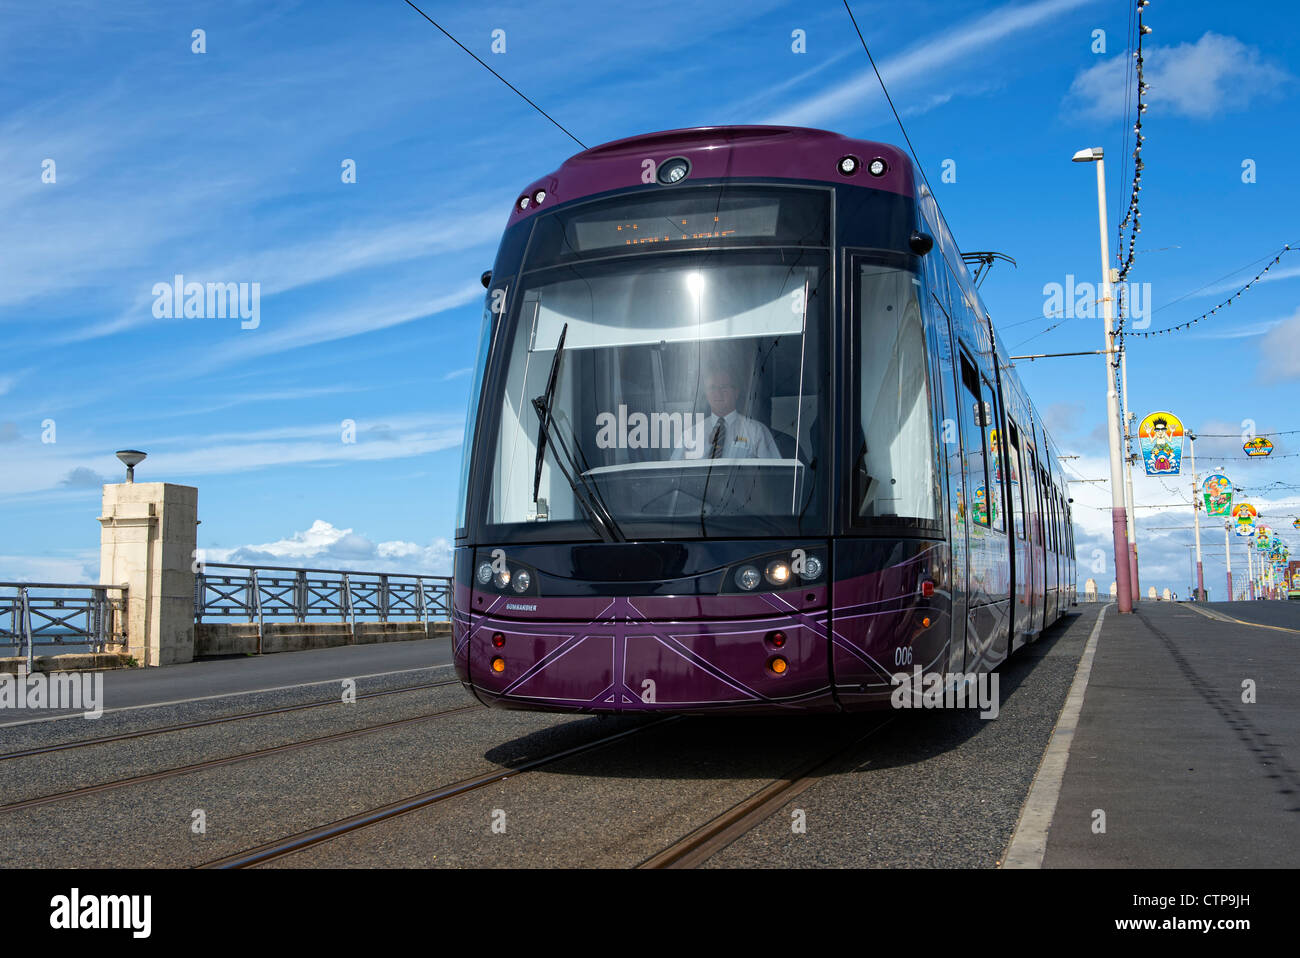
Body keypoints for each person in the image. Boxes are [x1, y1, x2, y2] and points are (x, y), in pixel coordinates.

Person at [672, 366, 781, 460]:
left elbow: (772, 474)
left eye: (724, 387)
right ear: (706, 394)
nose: (718, 393)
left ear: (736, 392)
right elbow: (671, 475)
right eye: (712, 388)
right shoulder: (691, 434)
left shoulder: (756, 431)